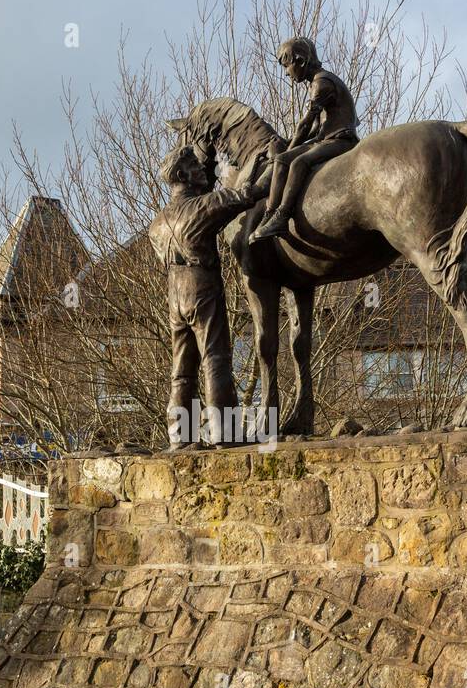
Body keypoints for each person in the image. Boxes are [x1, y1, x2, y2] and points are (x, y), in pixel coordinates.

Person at [149, 146, 263, 448]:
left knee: (182, 367)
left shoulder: (157, 224)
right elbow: (242, 196)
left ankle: (179, 438)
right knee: (215, 357)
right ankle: (224, 433)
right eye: (196, 167)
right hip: (201, 285)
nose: (204, 170)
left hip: (174, 292)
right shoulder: (201, 207)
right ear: (184, 174)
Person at [250, 36, 359, 243]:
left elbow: (305, 125)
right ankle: (269, 215)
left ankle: (281, 215)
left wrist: (288, 148)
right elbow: (317, 127)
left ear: (300, 61)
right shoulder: (319, 82)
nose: (286, 73)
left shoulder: (322, 83)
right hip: (326, 139)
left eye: (287, 65)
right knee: (283, 160)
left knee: (298, 161)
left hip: (341, 140)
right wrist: (288, 146)